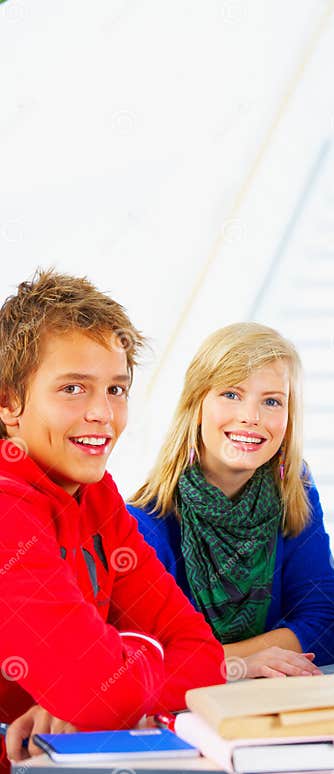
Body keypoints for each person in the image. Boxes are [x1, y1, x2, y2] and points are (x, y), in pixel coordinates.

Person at [0, 270, 224, 767]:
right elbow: (99, 695)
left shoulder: (97, 496)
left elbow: (203, 656)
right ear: (9, 404)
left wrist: (100, 682)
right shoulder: (6, 511)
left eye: (116, 389)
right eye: (74, 389)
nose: (102, 413)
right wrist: (102, 685)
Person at [128, 322, 334, 678]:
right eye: (231, 394)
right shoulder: (144, 523)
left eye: (272, 401)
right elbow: (147, 662)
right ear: (196, 405)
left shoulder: (295, 491)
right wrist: (239, 665)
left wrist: (217, 662)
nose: (251, 417)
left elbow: (324, 625)